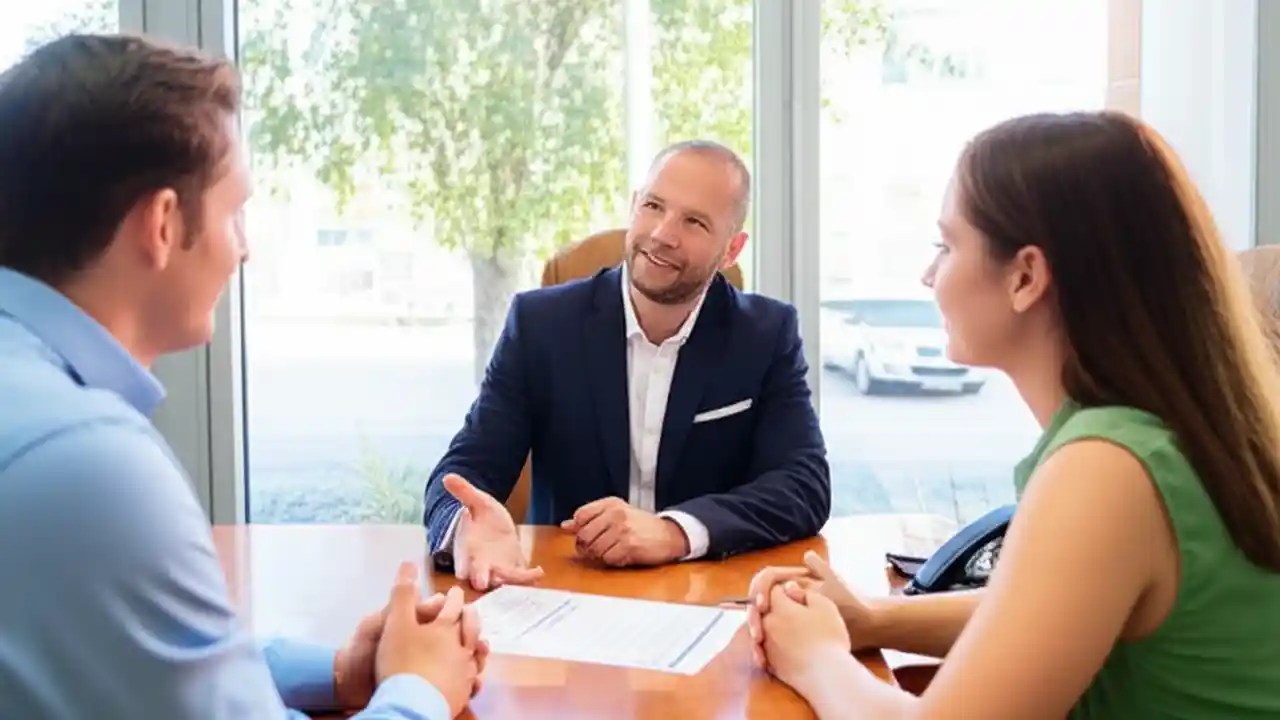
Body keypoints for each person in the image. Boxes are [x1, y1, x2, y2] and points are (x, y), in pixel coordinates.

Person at [0, 34, 485, 719]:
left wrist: (347, 672)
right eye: (234, 213)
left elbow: (139, 650)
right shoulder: (82, 459)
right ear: (162, 224)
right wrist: (420, 690)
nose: (245, 249)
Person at [746, 111, 1280, 718]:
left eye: (946, 246)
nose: (929, 275)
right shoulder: (1177, 432)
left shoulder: (1110, 469)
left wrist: (816, 657)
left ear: (1026, 275)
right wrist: (873, 618)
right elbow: (1057, 610)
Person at [424, 140, 831, 589]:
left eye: (694, 222)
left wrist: (674, 531)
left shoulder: (766, 333)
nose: (662, 234)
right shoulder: (541, 325)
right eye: (654, 206)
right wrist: (466, 528)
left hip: (700, 593)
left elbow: (803, 484)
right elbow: (464, 469)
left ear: (731, 249)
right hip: (564, 589)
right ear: (635, 205)